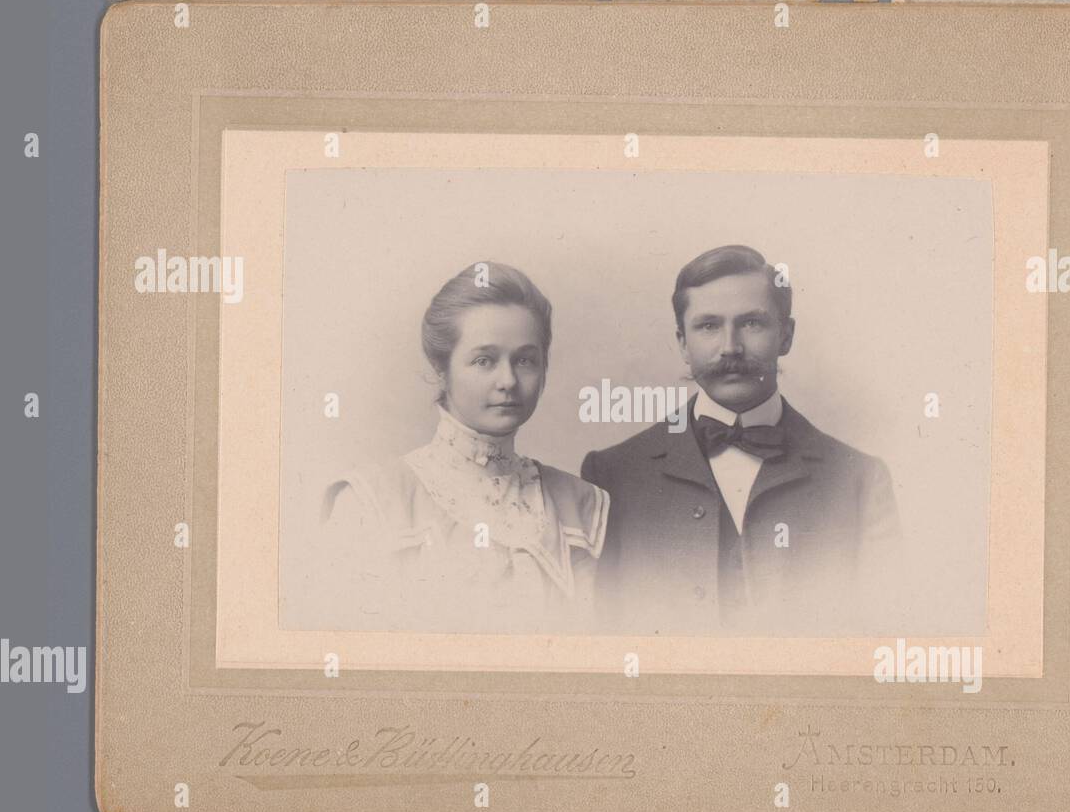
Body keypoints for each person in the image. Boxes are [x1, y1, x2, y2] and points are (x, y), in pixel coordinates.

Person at [580, 244, 901, 634]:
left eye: (751, 323)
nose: (730, 347)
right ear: (682, 342)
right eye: (708, 326)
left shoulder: (861, 482)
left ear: (786, 335)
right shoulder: (612, 476)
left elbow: (882, 633)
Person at [318, 262, 609, 632]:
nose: (508, 380)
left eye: (525, 360)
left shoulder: (584, 508)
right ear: (442, 368)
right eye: (484, 360)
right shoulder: (371, 502)